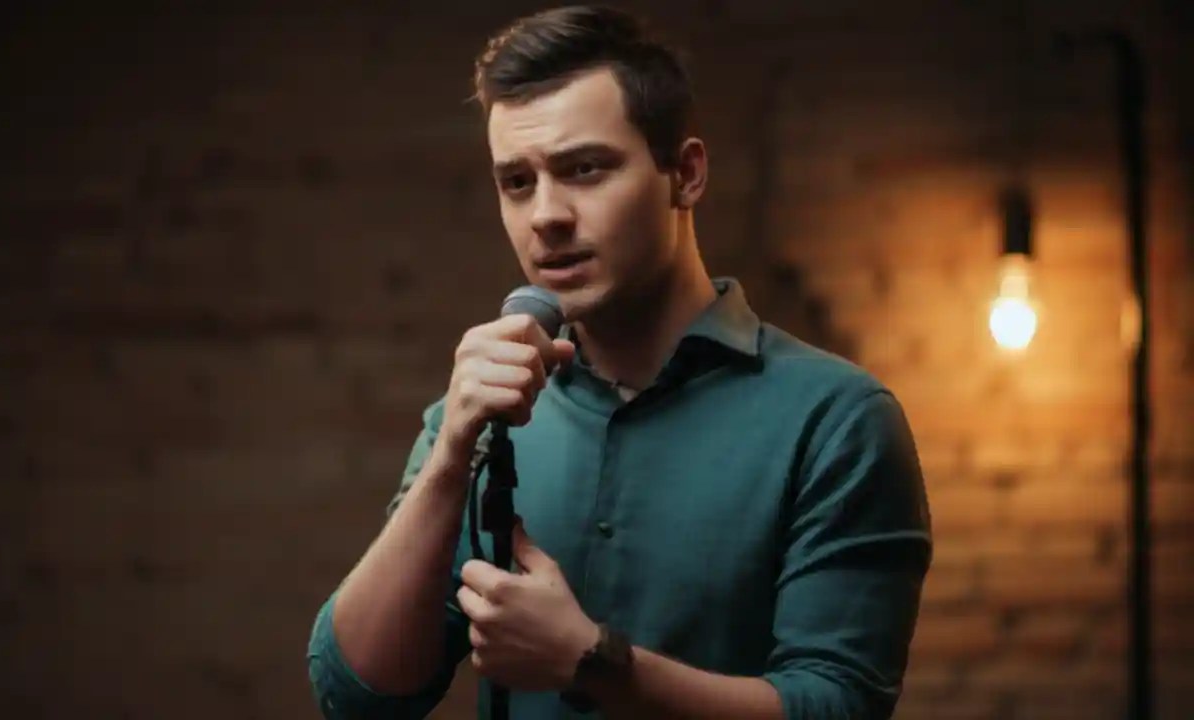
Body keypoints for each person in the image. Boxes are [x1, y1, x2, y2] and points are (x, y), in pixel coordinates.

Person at [306, 5, 932, 719]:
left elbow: (839, 707)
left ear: (685, 175)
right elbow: (356, 696)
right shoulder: (480, 417)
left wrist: (593, 663)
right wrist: (451, 453)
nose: (546, 215)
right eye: (518, 182)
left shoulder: (835, 421)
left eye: (585, 169)